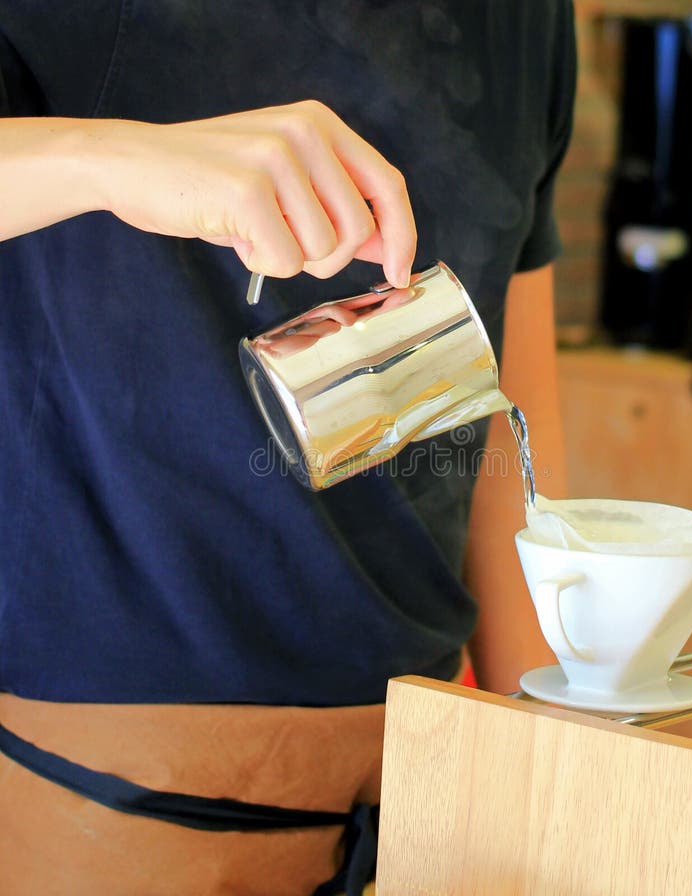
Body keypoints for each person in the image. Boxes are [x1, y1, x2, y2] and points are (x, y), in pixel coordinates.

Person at [0, 2, 576, 894]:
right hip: (123, 795)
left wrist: (558, 783)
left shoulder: (528, 19)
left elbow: (510, 417)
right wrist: (107, 156)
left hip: (430, 791)